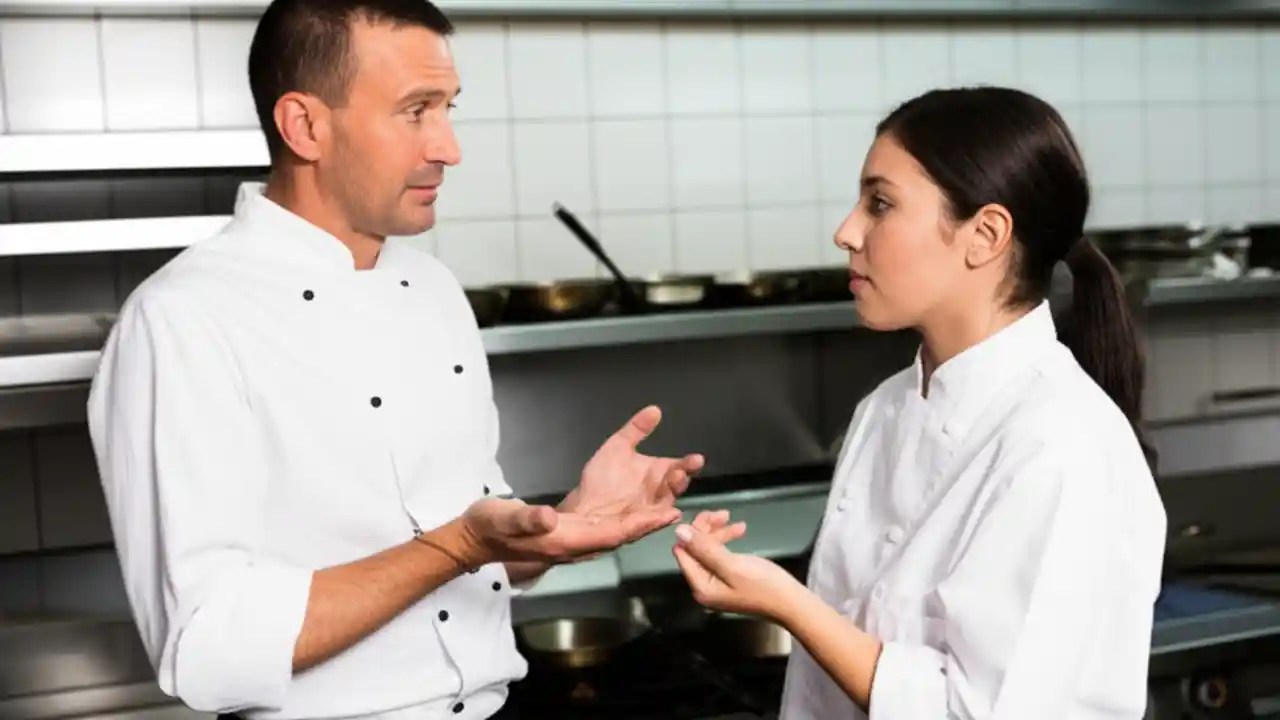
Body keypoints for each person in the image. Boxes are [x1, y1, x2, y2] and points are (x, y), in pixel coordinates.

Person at [85, 0, 722, 718]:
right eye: (416, 110)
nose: (448, 147)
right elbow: (209, 646)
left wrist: (560, 529)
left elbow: (480, 557)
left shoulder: (435, 292)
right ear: (305, 126)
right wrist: (459, 544)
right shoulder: (182, 321)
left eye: (448, 108)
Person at [672, 86, 1167, 719]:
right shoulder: (884, 407)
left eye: (880, 203)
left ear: (984, 234)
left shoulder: (1063, 447)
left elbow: (976, 711)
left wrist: (788, 604)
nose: (846, 231)